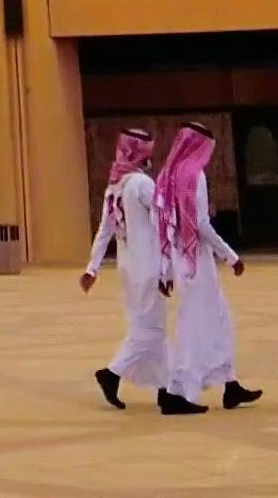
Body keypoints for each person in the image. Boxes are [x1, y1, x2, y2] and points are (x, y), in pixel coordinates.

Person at [154, 121, 261, 411]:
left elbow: (162, 227)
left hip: (180, 260)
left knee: (218, 319)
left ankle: (230, 384)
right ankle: (177, 393)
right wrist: (230, 255)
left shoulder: (167, 176)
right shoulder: (193, 175)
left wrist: (165, 270)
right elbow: (200, 224)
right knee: (196, 325)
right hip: (195, 262)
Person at [76, 127, 178, 411]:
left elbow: (104, 231)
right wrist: (167, 270)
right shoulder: (141, 185)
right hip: (148, 267)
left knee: (147, 328)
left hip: (127, 268)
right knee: (151, 330)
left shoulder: (115, 188)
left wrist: (93, 268)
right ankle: (111, 373)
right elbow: (164, 225)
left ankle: (165, 392)